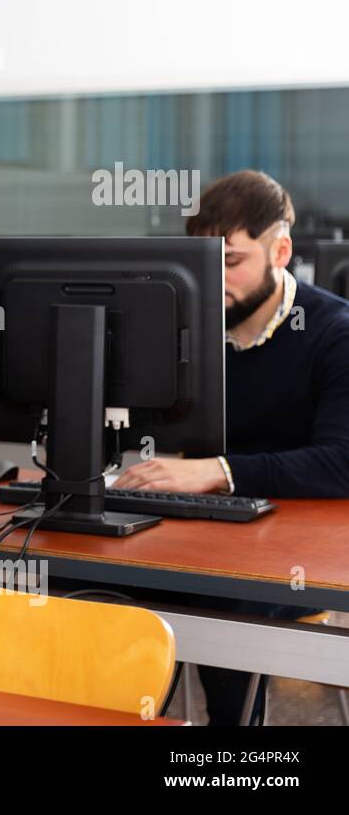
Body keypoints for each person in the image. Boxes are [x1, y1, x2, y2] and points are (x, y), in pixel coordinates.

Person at [112, 169, 349, 724]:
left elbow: (341, 462)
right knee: (71, 582)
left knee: (223, 613)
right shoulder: (186, 328)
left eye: (231, 261)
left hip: (297, 551)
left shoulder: (335, 334)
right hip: (198, 531)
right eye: (200, 262)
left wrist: (217, 472)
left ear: (280, 251)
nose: (211, 280)